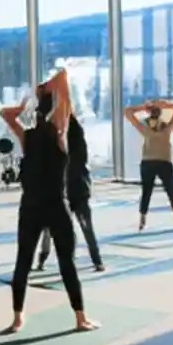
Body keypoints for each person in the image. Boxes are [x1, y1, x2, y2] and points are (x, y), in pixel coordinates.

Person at [0, 69, 98, 333]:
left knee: (23, 261)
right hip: (55, 206)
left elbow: (4, 115)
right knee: (67, 262)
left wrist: (23, 104)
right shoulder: (59, 135)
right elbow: (64, 79)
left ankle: (18, 318)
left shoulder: (27, 136)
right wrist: (51, 88)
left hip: (31, 206)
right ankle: (80, 317)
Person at [35, 113, 105, 273]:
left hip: (72, 189)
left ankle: (47, 259)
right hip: (71, 189)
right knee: (82, 227)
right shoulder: (67, 141)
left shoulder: (67, 141)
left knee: (55, 228)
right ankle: (94, 260)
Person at [126, 100, 173, 231]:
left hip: (150, 162)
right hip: (162, 162)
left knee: (148, 192)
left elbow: (128, 113)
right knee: (169, 192)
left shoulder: (146, 128)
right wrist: (162, 104)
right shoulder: (166, 128)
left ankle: (143, 221)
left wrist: (145, 107)